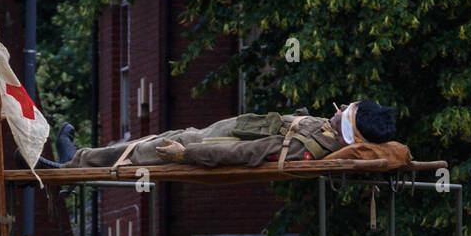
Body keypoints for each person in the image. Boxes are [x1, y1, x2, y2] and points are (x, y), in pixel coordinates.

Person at [65, 101, 397, 169]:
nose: (338, 109)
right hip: (220, 132)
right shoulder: (323, 130)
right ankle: (82, 156)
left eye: (345, 110)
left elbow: (247, 154)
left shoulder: (306, 147)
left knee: (144, 153)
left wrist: (187, 155)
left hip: (216, 146)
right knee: (151, 140)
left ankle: (75, 162)